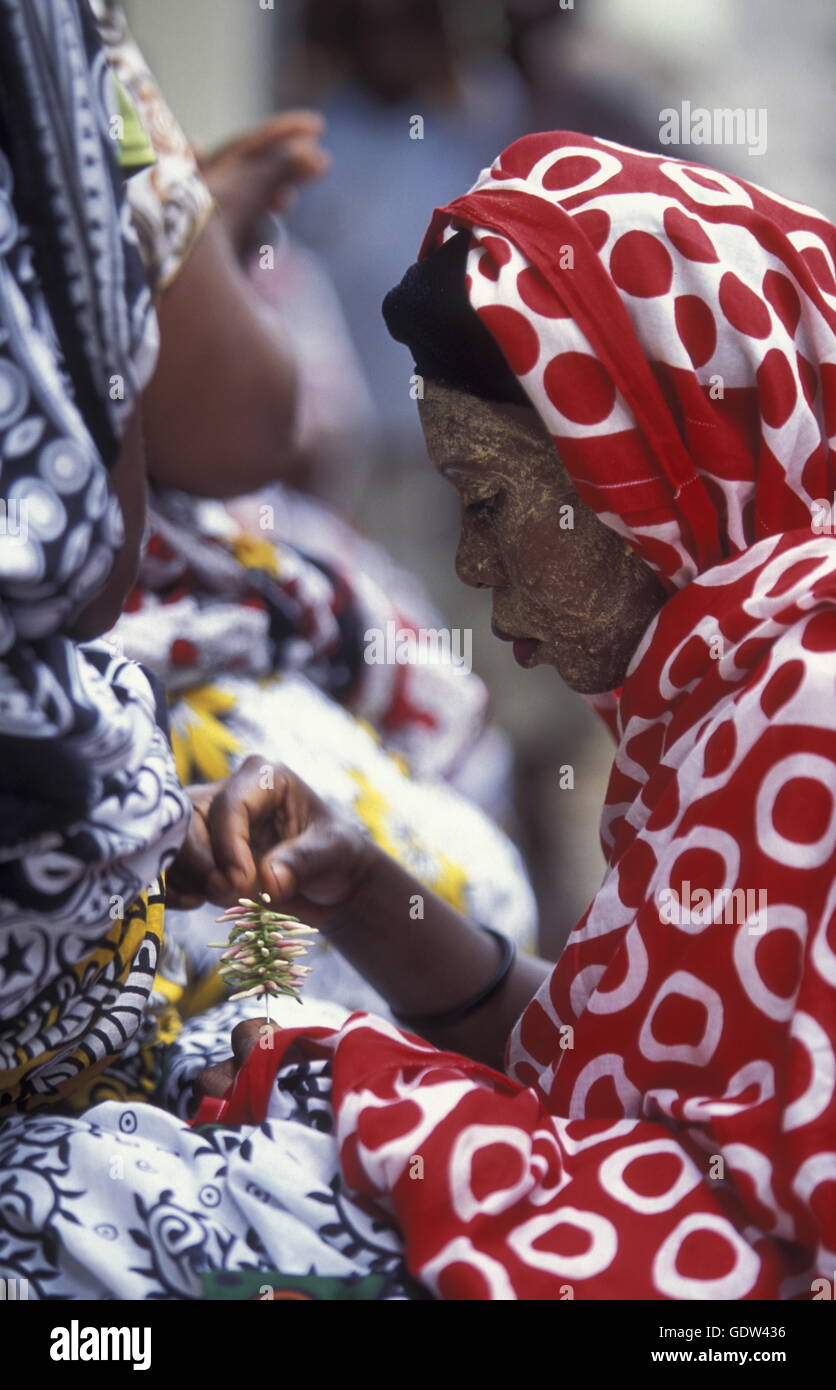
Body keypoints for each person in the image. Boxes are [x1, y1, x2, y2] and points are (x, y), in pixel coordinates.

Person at [191, 131, 836, 1300]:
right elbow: (628, 1068)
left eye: (487, 499)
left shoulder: (804, 706)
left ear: (643, 466)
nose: (471, 566)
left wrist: (387, 1094)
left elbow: (763, 1261)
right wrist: (358, 890)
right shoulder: (730, 693)